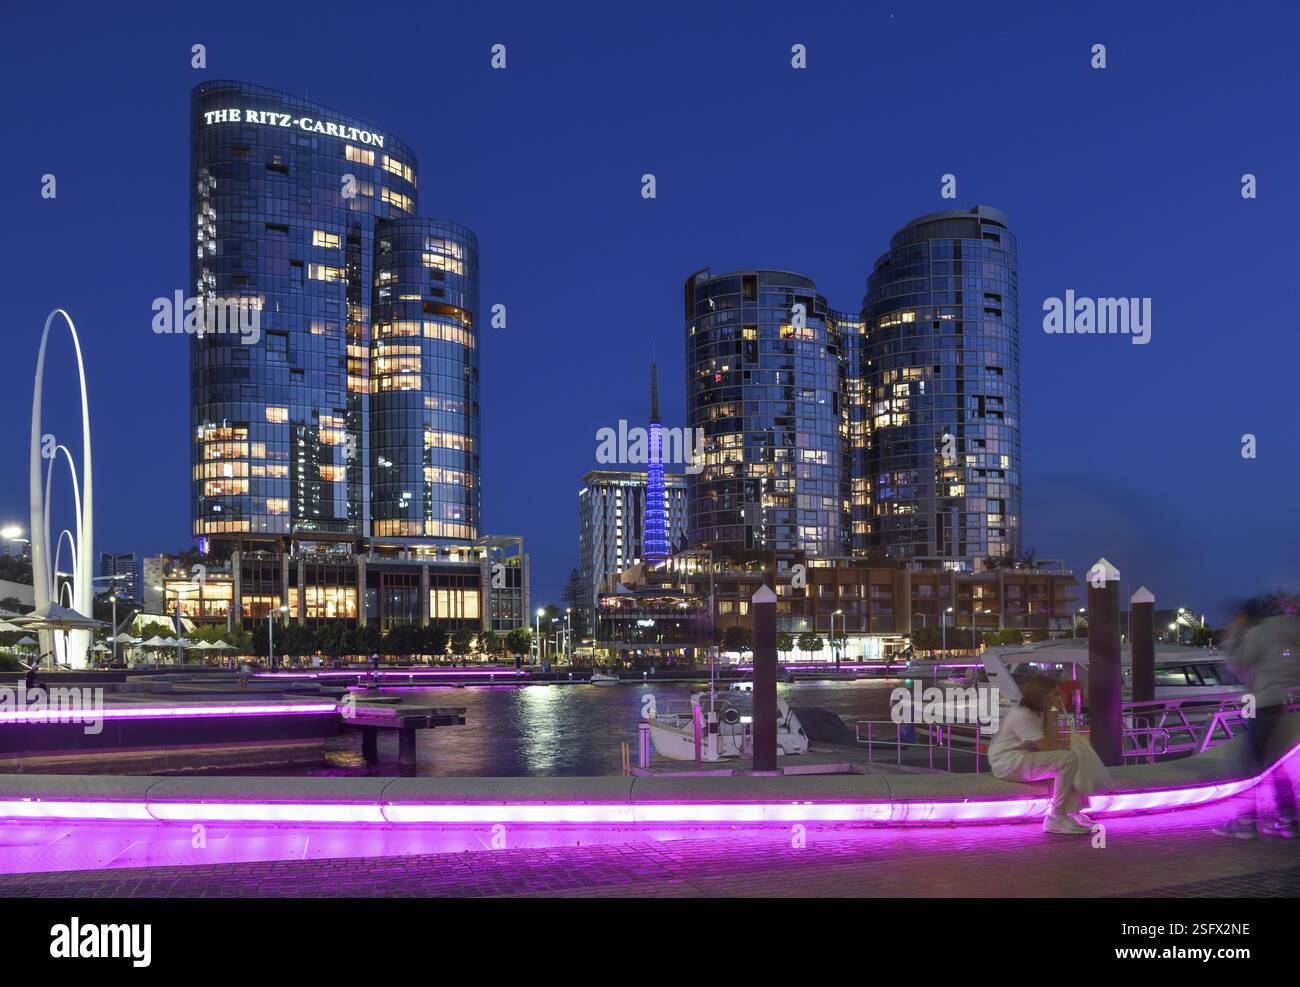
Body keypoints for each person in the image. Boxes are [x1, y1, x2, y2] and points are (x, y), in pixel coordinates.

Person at [1214, 598, 1300, 839]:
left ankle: (1245, 821)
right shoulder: (1292, 630)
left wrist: (1234, 632)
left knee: (1246, 763)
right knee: (1275, 764)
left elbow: (1236, 663)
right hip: (1290, 704)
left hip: (1266, 704)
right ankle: (1288, 819)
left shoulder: (1260, 632)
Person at [988, 676, 1093, 835]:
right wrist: (1052, 713)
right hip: (1008, 761)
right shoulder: (1023, 715)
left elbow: (1051, 746)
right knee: (1068, 759)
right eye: (1056, 694)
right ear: (1043, 695)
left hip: (1020, 759)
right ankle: (1056, 817)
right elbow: (1048, 748)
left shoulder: (1037, 713)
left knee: (1070, 761)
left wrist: (1051, 712)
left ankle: (1072, 812)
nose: (1061, 697)